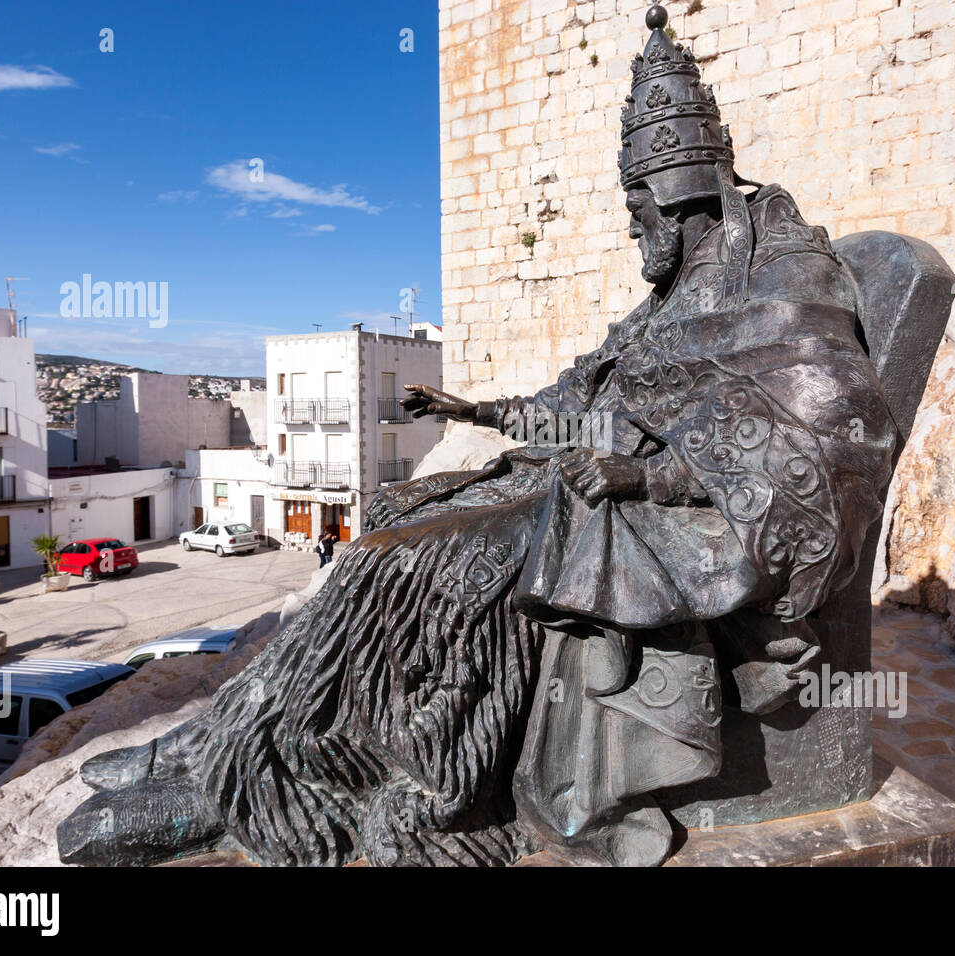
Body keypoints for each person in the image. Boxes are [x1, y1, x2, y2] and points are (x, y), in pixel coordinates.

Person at [58, 6, 897, 869]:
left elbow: (834, 424)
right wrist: (474, 411)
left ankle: (275, 775)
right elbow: (578, 398)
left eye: (640, 209)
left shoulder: (780, 270)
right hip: (600, 487)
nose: (632, 227)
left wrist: (656, 477)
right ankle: (239, 735)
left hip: (679, 521)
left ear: (683, 200)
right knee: (391, 519)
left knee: (417, 560)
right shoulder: (670, 298)